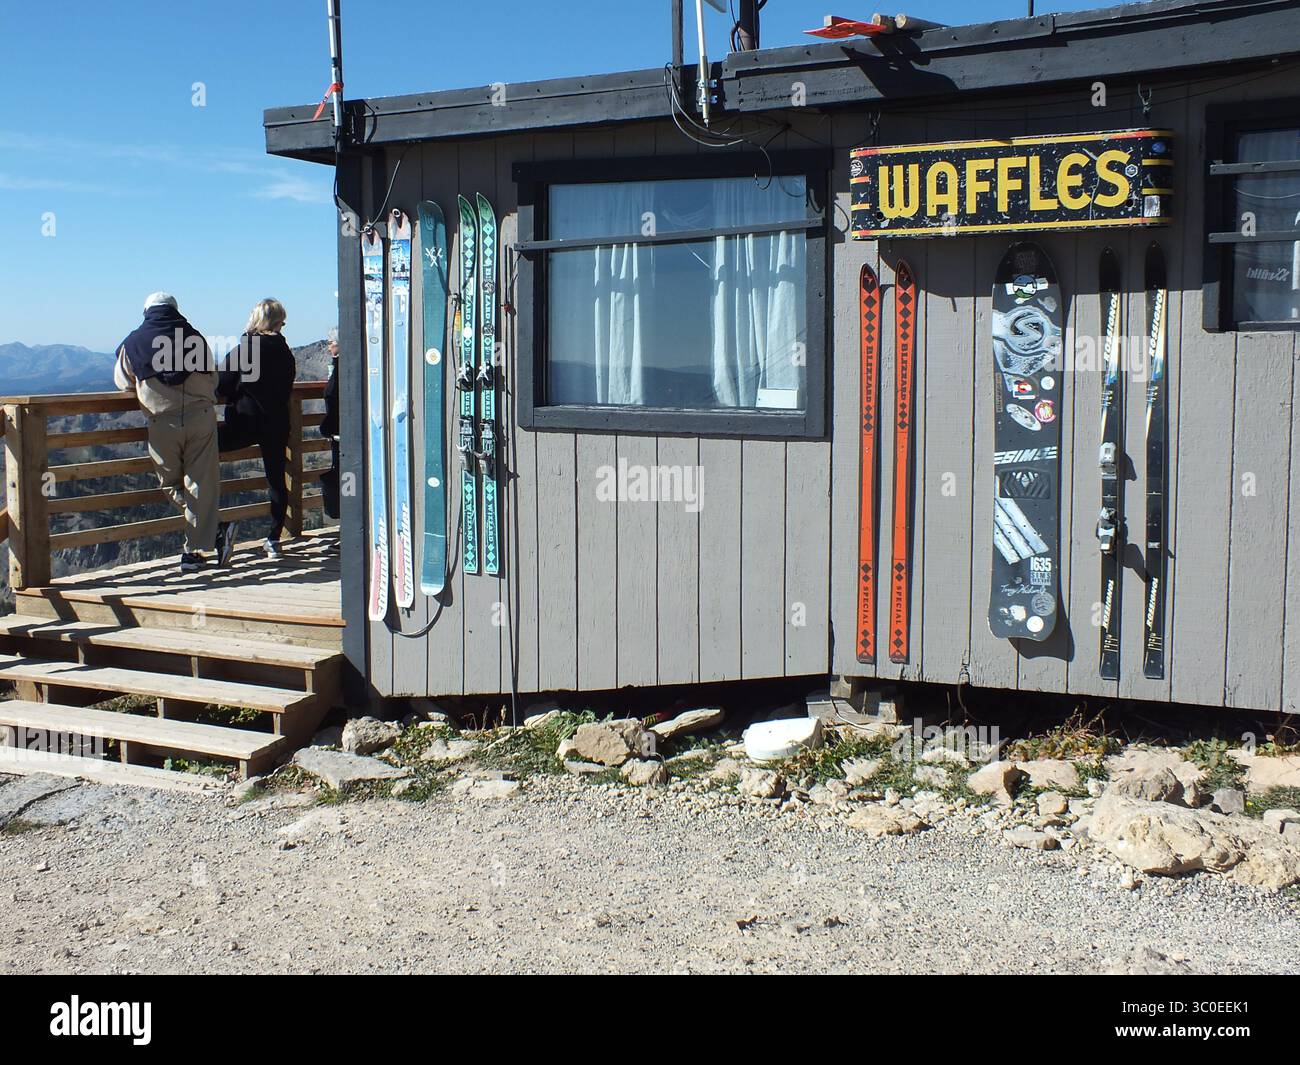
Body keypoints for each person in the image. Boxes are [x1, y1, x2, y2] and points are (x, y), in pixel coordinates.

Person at [114, 292, 221, 574]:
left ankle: (200, 540)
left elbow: (122, 381)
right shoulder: (195, 337)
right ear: (176, 310)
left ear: (147, 311)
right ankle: (198, 544)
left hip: (162, 422)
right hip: (201, 418)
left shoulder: (134, 342)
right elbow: (214, 376)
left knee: (168, 482)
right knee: (200, 483)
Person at [217, 298, 297, 560]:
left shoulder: (246, 349)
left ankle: (213, 526)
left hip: (245, 422)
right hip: (277, 422)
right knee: (276, 479)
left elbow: (221, 385)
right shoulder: (284, 351)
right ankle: (274, 538)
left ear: (256, 319)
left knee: (200, 449)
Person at [319, 326, 340, 522]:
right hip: (338, 436)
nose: (328, 347)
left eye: (330, 343)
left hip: (341, 437)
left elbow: (334, 397)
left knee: (344, 481)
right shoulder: (341, 366)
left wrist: (326, 427)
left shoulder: (342, 369)